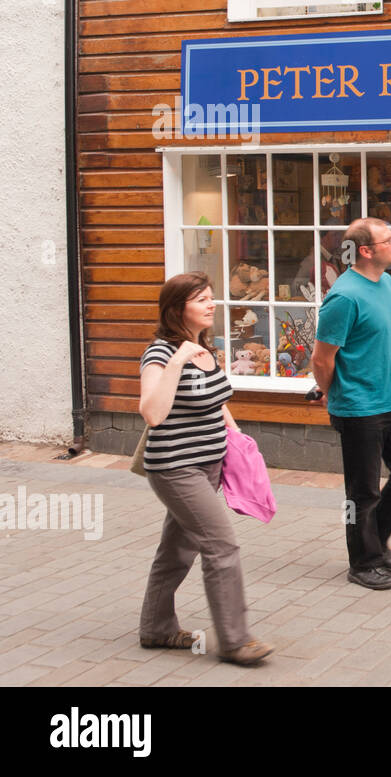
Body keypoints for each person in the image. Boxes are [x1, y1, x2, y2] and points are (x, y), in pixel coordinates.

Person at [138, 272, 272, 666]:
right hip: (176, 468)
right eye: (201, 299)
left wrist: (237, 436)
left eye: (211, 297)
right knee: (221, 545)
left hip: (210, 462)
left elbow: (214, 399)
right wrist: (178, 359)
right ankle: (235, 641)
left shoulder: (206, 348)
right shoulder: (161, 354)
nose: (212, 304)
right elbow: (152, 412)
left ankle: (156, 628)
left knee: (177, 550)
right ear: (178, 309)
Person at [310, 218, 391, 590]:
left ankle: (375, 542)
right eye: (388, 239)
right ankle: (362, 562)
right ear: (366, 250)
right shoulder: (344, 297)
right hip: (360, 407)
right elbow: (321, 358)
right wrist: (330, 392)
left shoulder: (386, 282)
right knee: (362, 493)